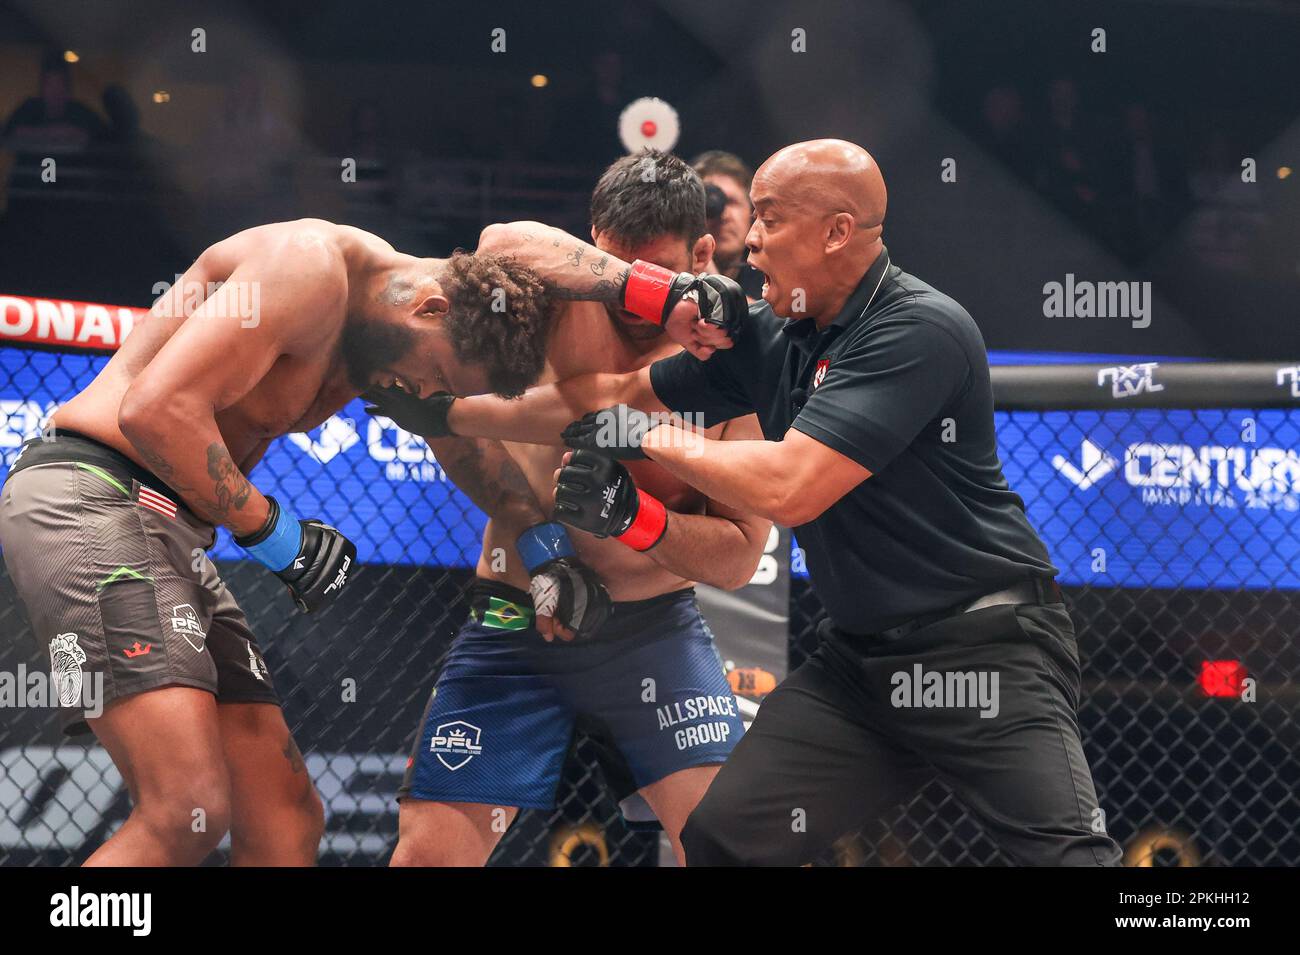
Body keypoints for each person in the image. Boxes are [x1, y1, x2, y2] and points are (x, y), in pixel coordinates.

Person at [430, 139, 1124, 866]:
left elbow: (789, 486)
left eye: (770, 217)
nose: (751, 237)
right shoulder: (770, 335)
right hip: (860, 666)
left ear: (837, 231)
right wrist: (451, 414)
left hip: (984, 652)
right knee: (724, 840)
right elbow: (613, 395)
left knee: (1070, 860)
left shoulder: (919, 329)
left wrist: (646, 438)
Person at [0, 215, 735, 866]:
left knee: (287, 821)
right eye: (434, 377)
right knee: (184, 811)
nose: (419, 397)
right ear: (431, 307)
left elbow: (465, 448)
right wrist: (273, 533)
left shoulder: (388, 349)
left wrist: (545, 551)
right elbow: (154, 411)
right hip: (94, 496)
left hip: (174, 533)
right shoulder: (307, 269)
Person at [371, 152, 769, 866]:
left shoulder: (737, 352)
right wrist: (648, 287)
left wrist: (637, 519)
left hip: (653, 633)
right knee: (428, 857)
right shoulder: (562, 296)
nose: (633, 310)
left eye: (661, 271)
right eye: (621, 274)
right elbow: (498, 241)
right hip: (516, 619)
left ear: (703, 253)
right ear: (594, 247)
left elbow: (740, 557)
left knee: (729, 849)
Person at [692, 150, 764, 299]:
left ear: (752, 212)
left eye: (732, 202)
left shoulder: (770, 273)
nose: (724, 216)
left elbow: (768, 314)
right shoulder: (674, 269)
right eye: (711, 203)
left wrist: (710, 276)